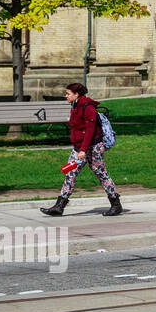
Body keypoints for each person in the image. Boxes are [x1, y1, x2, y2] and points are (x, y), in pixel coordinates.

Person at [42, 83, 122, 217]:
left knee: (101, 174)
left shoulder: (87, 107)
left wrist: (83, 150)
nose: (65, 96)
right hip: (79, 148)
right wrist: (79, 148)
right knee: (70, 173)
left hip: (93, 147)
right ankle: (59, 206)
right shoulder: (75, 106)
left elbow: (90, 131)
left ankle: (116, 204)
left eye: (68, 93)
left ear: (76, 94)